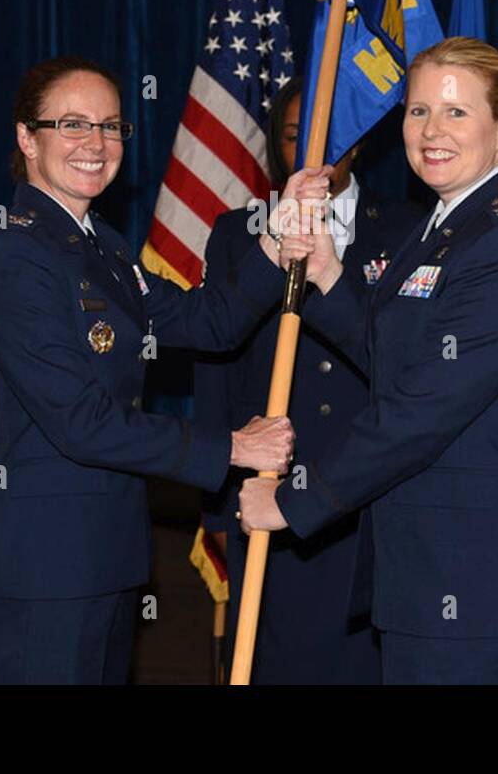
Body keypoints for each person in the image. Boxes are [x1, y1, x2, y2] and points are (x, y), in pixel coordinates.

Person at [0, 55, 327, 684]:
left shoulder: (100, 243)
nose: (95, 145)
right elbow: (81, 423)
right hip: (45, 570)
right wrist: (231, 446)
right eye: (72, 125)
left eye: (110, 127)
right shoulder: (18, 254)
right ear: (27, 137)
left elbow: (208, 322)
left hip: (104, 558)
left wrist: (277, 234)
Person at [239, 37, 498, 685]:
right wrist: (329, 274)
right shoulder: (447, 224)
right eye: (418, 111)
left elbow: (421, 408)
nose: (431, 131)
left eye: (456, 112)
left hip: (479, 589)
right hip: (428, 580)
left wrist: (293, 500)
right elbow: (398, 353)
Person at [197, 79, 421, 684]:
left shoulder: (410, 232)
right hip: (269, 491)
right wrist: (220, 500)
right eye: (297, 137)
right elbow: (218, 362)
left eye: (331, 135)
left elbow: (414, 368)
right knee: (277, 658)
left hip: (366, 493)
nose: (316, 152)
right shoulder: (240, 234)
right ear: (278, 146)